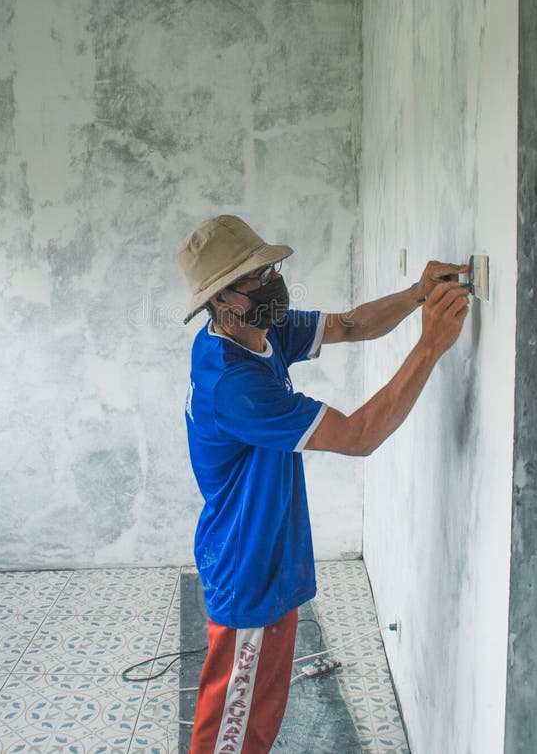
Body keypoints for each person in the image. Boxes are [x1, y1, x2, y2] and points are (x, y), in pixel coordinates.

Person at [176, 214, 469, 754]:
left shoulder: (254, 331)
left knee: (257, 722)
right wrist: (430, 346)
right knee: (229, 734)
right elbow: (357, 435)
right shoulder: (236, 383)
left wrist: (415, 294)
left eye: (271, 268)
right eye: (255, 277)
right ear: (222, 299)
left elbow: (353, 325)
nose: (272, 281)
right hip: (249, 573)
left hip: (266, 557)